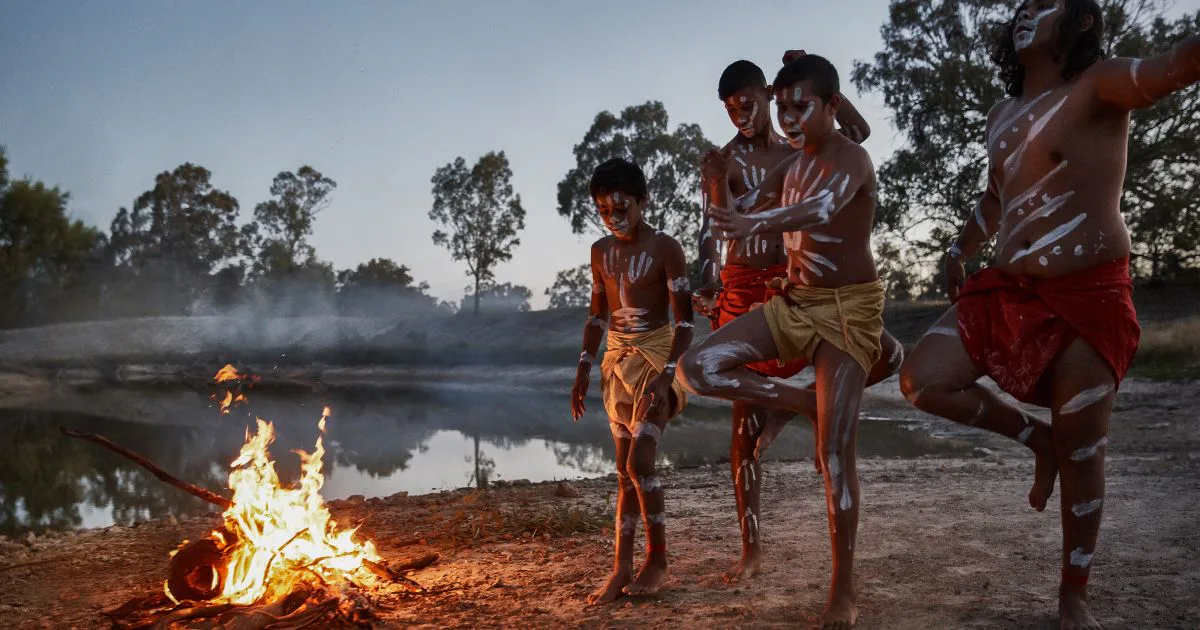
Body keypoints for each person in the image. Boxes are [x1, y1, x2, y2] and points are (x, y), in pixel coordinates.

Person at [897, 2, 1199, 628]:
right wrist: (959, 247)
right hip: (1010, 291)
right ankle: (1036, 442)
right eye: (1021, 6)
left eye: (1044, 2)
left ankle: (1073, 595)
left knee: (1084, 451)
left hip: (1088, 295)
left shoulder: (1100, 84)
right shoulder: (1000, 113)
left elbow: (1174, 67)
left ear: (1083, 20)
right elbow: (995, 196)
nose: (1026, 12)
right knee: (920, 379)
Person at [678, 54, 886, 629]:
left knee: (852, 413)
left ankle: (814, 397)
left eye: (748, 102)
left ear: (766, 93)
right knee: (741, 424)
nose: (741, 114)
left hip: (822, 290)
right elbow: (718, 227)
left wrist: (809, 82)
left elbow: (856, 137)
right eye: (729, 108)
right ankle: (752, 547)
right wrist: (709, 264)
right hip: (759, 291)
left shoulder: (809, 146)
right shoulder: (734, 159)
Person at [570, 157, 695, 604]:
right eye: (604, 210)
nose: (613, 217)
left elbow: (685, 324)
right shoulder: (599, 252)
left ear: (643, 201)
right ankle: (622, 564)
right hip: (616, 364)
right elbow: (596, 314)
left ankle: (658, 559)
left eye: (621, 207)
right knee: (623, 471)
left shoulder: (667, 249)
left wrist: (667, 376)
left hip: (659, 359)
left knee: (640, 463)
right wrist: (584, 367)